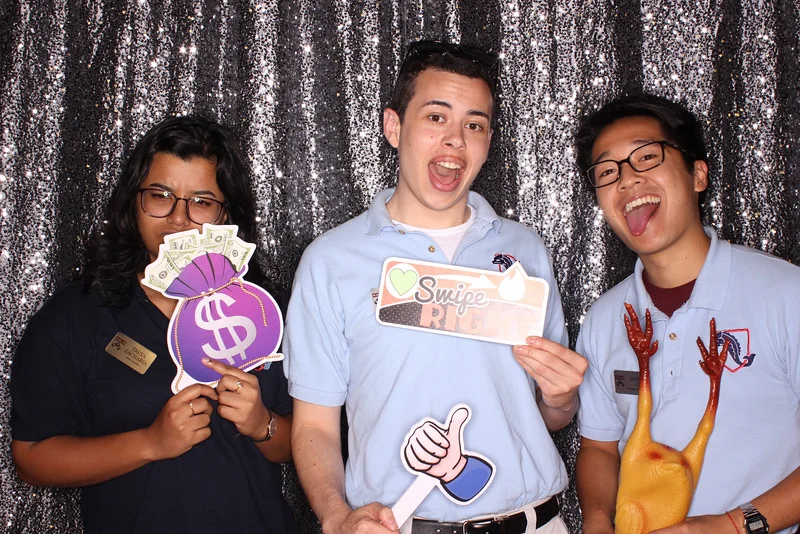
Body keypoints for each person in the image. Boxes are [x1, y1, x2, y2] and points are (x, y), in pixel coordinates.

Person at [284, 40, 587, 534]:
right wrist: (337, 517)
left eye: (474, 125)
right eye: (435, 117)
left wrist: (562, 399)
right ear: (394, 127)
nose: (455, 141)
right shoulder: (331, 261)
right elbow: (316, 424)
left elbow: (547, 414)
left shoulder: (525, 250)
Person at [10, 115, 296, 533]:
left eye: (201, 201)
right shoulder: (77, 315)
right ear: (134, 200)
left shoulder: (269, 311)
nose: (178, 219)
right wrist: (149, 443)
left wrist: (262, 425)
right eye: (160, 195)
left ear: (226, 215)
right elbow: (32, 459)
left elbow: (308, 445)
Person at [574, 93, 800, 534]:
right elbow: (600, 449)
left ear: (698, 174)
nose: (627, 180)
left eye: (647, 157)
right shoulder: (604, 319)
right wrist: (599, 521)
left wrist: (735, 526)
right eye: (607, 171)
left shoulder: (785, 293)